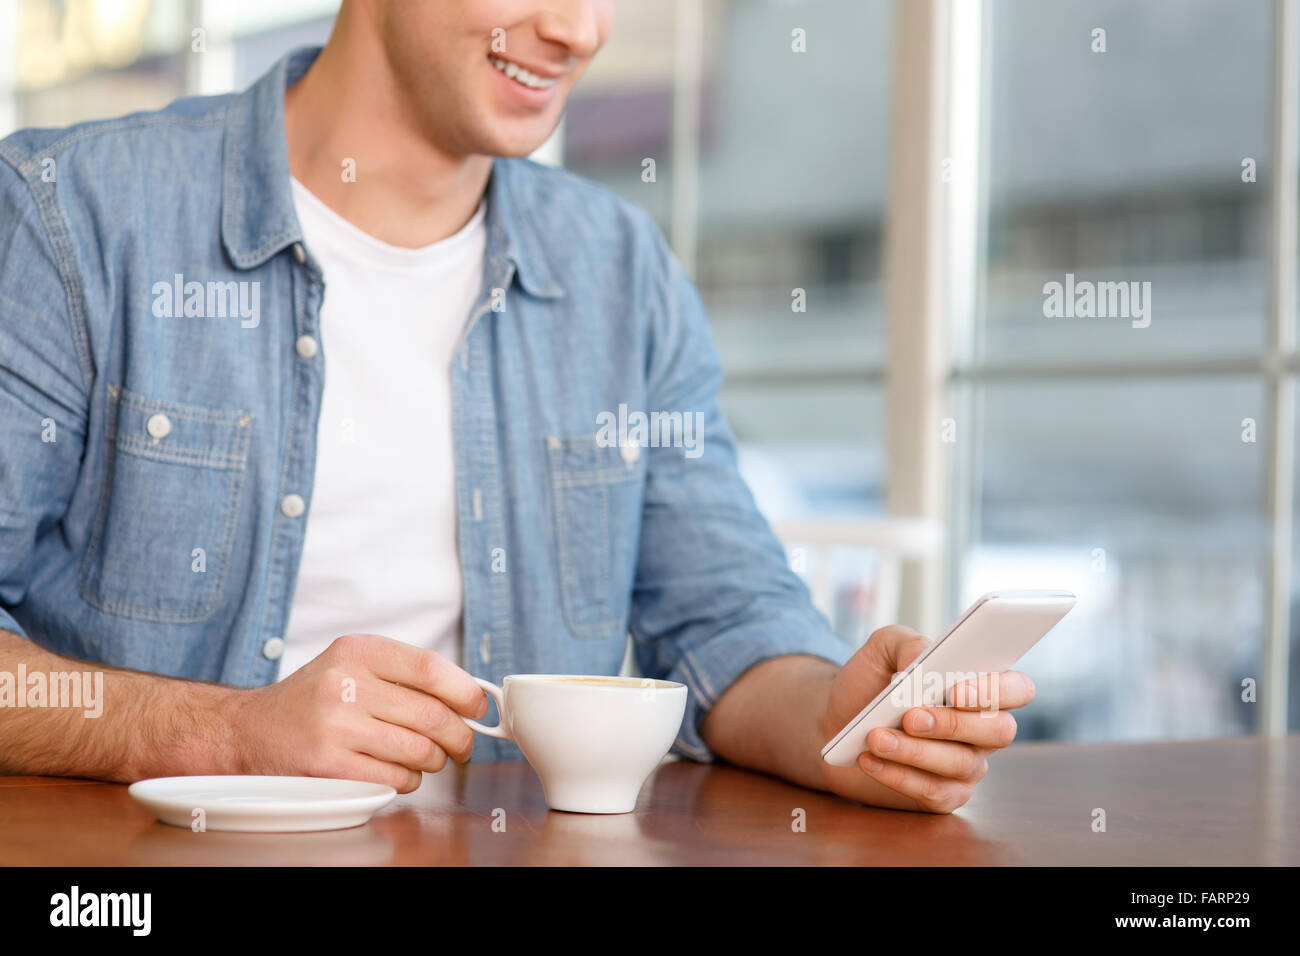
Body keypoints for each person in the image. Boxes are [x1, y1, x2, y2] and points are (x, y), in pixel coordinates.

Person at [0, 0, 1033, 813]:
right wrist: (223, 736)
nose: (579, 29)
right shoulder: (70, 220)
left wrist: (839, 722)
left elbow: (724, 617)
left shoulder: (619, 272)